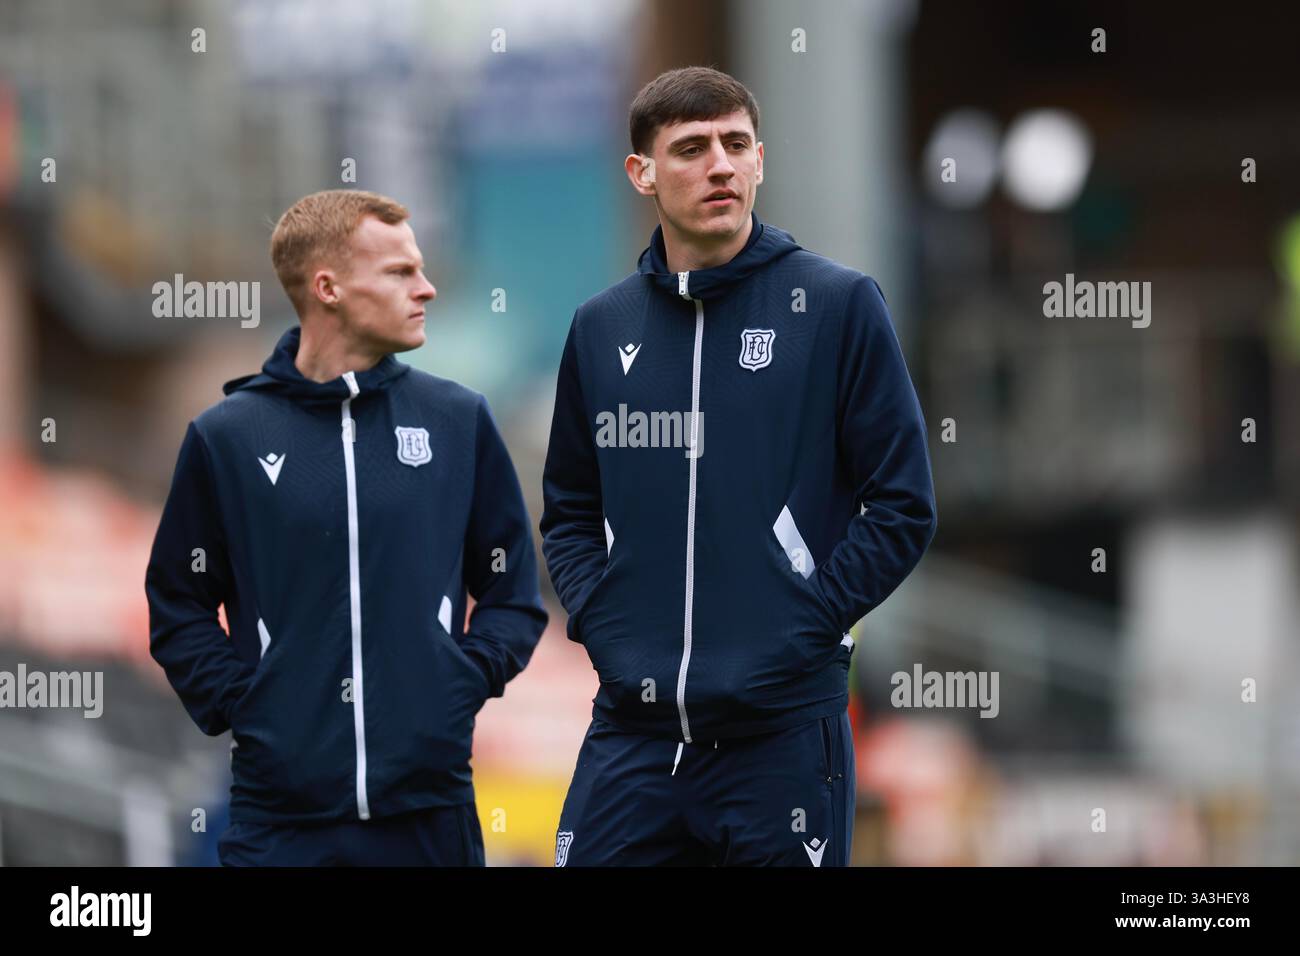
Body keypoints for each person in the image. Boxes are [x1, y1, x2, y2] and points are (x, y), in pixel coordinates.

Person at [540, 67, 936, 866]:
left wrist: (804, 621)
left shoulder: (836, 305)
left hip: (781, 734)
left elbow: (903, 506)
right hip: (633, 731)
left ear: (759, 161)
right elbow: (570, 510)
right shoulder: (598, 327)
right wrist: (601, 620)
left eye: (734, 144)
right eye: (690, 148)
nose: (718, 164)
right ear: (642, 173)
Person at [146, 189, 547, 866]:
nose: (427, 287)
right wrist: (251, 705)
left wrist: (458, 682)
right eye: (399, 272)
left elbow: (512, 590)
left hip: (429, 816)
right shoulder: (228, 438)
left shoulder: (458, 421)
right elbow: (177, 603)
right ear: (328, 288)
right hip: (279, 818)